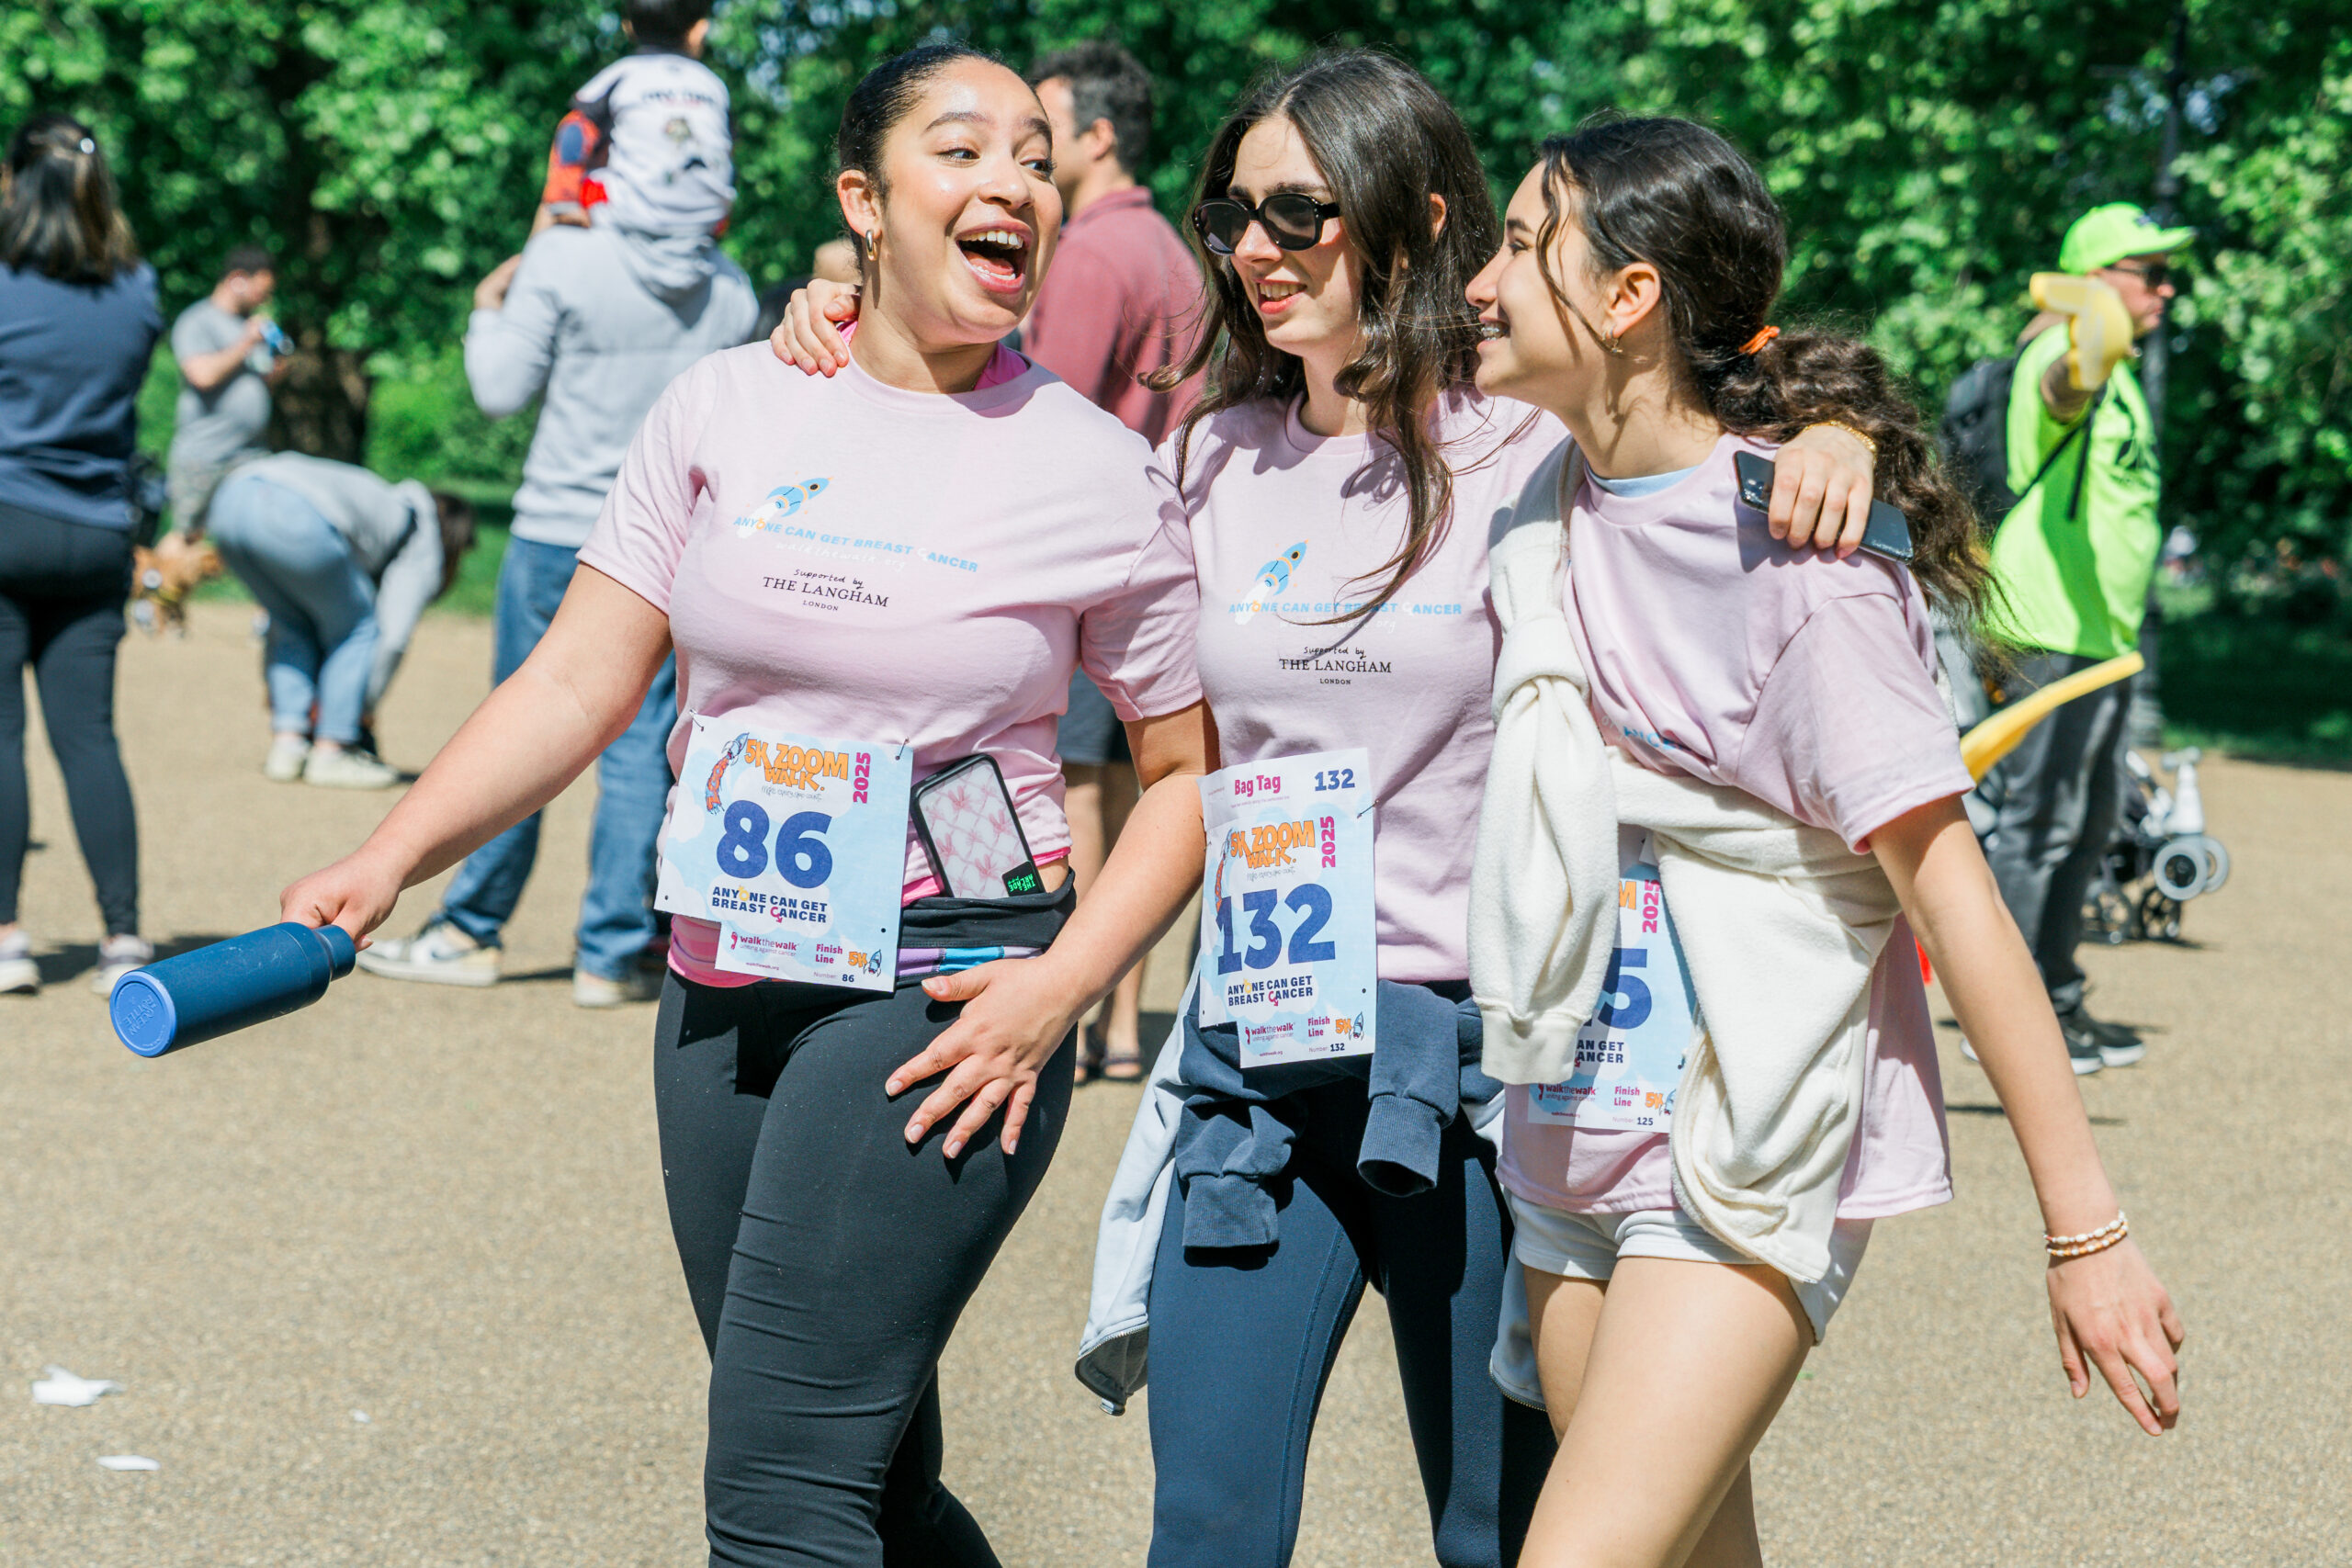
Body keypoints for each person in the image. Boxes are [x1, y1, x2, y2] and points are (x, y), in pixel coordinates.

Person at [769, 53, 1879, 1568]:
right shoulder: (1210, 457)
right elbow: (1156, 737)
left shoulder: (1533, 447)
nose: (1255, 244)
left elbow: (1703, 429)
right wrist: (840, 322)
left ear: (1418, 222)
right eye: (1235, 208)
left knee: (1505, 1531)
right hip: (1260, 1059)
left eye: (1302, 207)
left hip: (1495, 1080)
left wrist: (1834, 441)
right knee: (1206, 1530)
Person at [280, 44, 1211, 1567]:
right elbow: (577, 681)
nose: (1016, 184)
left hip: (949, 982)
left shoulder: (1100, 470)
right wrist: (389, 857)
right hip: (720, 974)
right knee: (864, 1472)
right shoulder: (723, 407)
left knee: (779, 1493)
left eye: (1038, 157)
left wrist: (1061, 988)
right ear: (863, 200)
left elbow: (1181, 777)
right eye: (964, 150)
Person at [1463, 117, 2184, 1568]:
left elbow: (1959, 905)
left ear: (1629, 297)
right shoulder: (1535, 498)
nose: (1480, 280)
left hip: (1752, 1121)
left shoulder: (1810, 571)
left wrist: (2086, 1231)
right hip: (1569, 1116)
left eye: (1521, 245)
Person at [356, 72, 756, 1009]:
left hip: (554, 532)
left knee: (524, 724)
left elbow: (497, 390)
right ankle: (612, 950)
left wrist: (494, 300)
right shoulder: (730, 283)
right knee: (636, 746)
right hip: (668, 539)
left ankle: (470, 929)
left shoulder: (565, 261)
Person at [1978, 201, 2192, 1073]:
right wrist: (2086, 351)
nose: (2167, 288)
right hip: (2043, 629)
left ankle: (2057, 1000)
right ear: (2099, 278)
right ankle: (2014, 1021)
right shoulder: (2058, 356)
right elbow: (2064, 391)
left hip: (2101, 631)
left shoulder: (2127, 374)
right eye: (2150, 272)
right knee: (2040, 823)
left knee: (2094, 816)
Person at [0, 115, 161, 998]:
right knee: (90, 737)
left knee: (0, 737)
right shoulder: (138, 289)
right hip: (99, 531)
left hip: (5, 518)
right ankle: (124, 938)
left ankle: (9, 939)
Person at [205, 453, 475, 788]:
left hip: (230, 500)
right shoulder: (424, 535)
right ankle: (332, 750)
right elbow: (391, 638)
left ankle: (288, 746)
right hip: (288, 511)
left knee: (291, 622)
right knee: (359, 627)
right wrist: (358, 706)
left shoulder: (385, 500)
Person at [535, 0, 731, 241]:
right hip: (703, 225)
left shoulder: (622, 74)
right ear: (697, 31)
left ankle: (534, 259)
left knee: (594, 171)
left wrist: (563, 203)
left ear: (629, 29)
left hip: (630, 221)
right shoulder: (714, 86)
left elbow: (573, 132)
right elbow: (727, 154)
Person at [165, 243, 282, 534]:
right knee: (187, 542)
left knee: (258, 540)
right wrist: (246, 342)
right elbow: (202, 375)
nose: (263, 299)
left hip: (250, 456)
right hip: (205, 458)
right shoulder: (197, 320)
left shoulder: (248, 326)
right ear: (237, 279)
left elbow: (258, 382)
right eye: (261, 290)